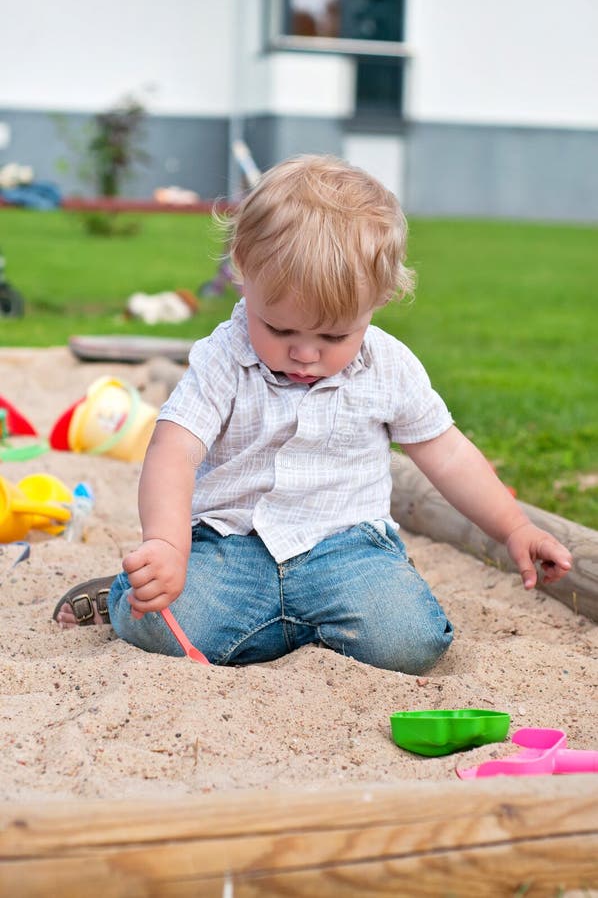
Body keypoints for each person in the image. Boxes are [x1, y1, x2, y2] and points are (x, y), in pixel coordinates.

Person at [53, 154, 572, 673]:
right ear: (241, 274)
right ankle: (133, 588)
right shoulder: (225, 356)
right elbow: (173, 449)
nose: (305, 353)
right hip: (232, 548)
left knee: (412, 643)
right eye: (279, 330)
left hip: (345, 550)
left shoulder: (388, 367)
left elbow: (448, 453)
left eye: (333, 336)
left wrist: (513, 529)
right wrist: (167, 545)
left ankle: (288, 627)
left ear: (381, 298)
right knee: (157, 621)